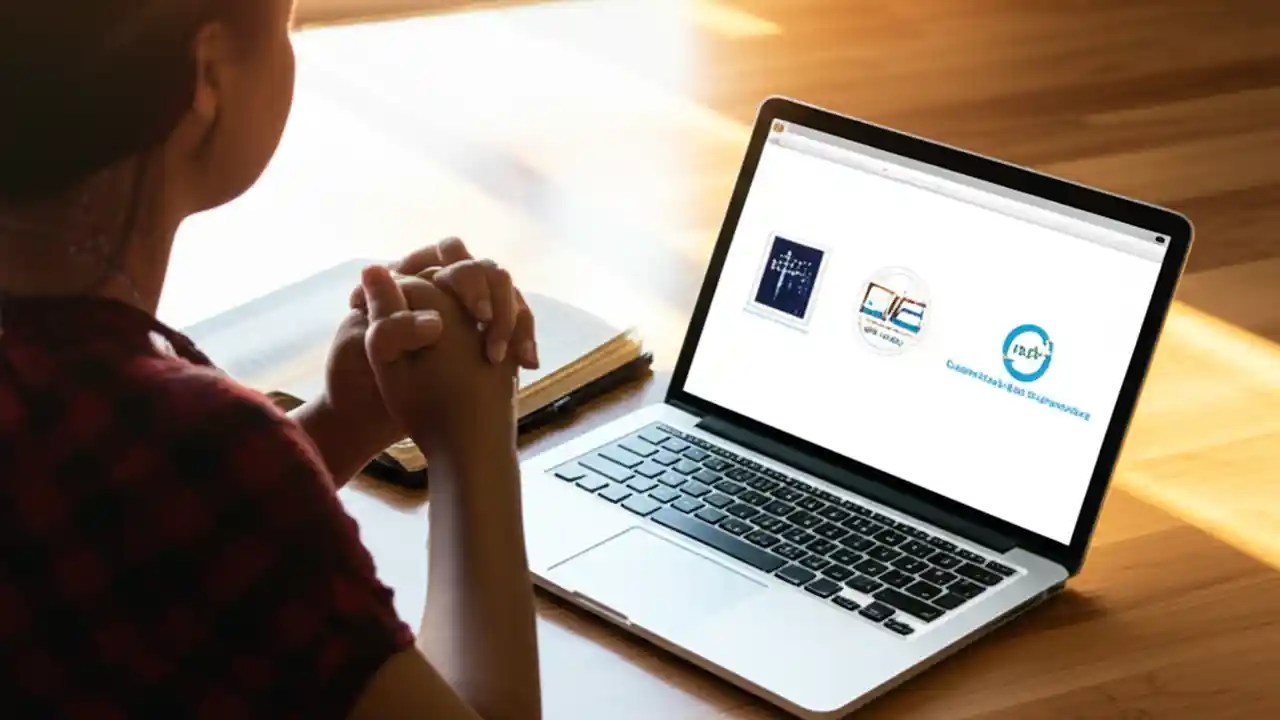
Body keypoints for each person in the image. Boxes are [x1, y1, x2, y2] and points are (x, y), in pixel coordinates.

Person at [0, 2, 542, 718]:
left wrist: (337, 426)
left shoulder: (107, 430)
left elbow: (127, 543)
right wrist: (473, 435)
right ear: (209, 74)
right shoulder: (193, 445)